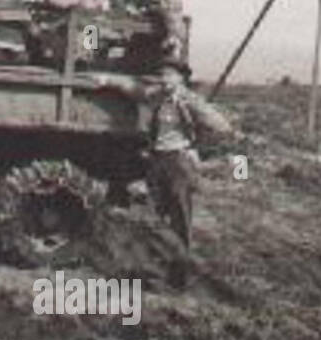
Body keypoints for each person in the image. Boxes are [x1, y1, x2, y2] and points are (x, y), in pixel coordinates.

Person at [93, 62, 236, 256]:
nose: (164, 79)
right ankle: (155, 261)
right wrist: (107, 80)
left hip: (178, 161)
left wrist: (195, 148)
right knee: (154, 214)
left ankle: (179, 269)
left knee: (179, 216)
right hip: (157, 160)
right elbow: (133, 88)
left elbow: (221, 126)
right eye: (162, 75)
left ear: (180, 79)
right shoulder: (157, 96)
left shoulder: (189, 100)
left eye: (169, 75)